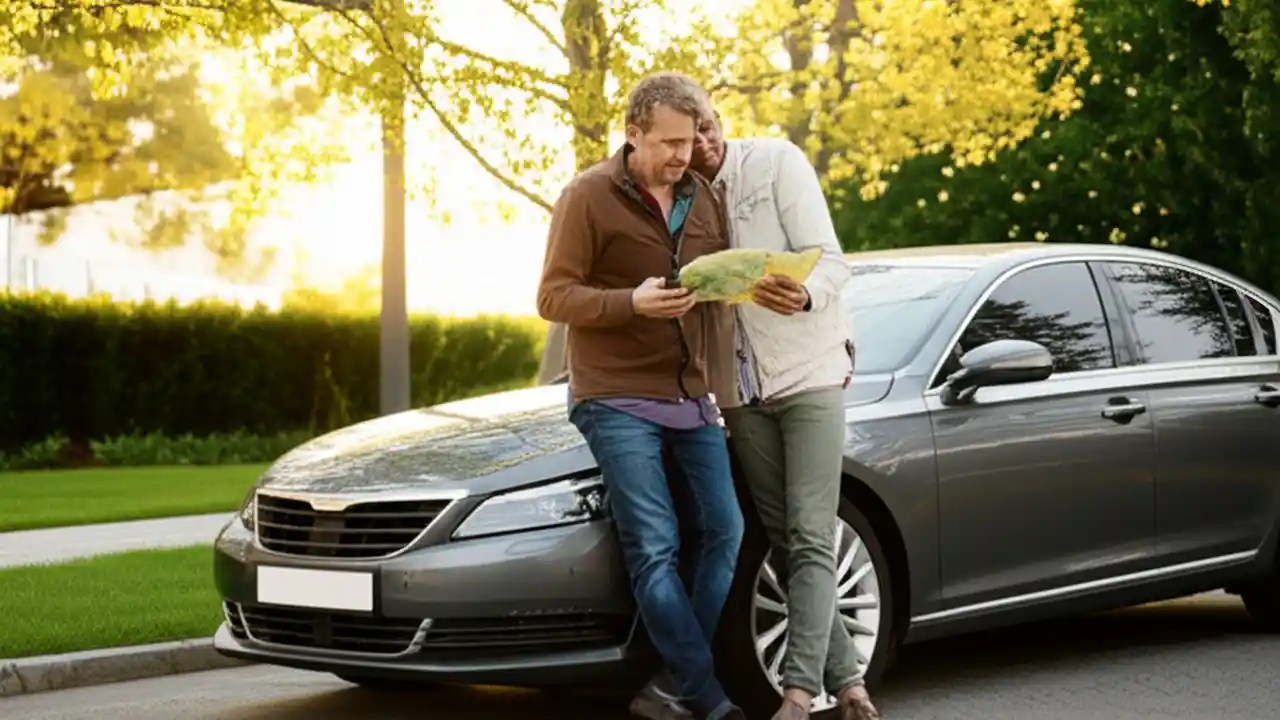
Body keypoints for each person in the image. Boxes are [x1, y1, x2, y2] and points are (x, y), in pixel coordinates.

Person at [536, 72, 746, 720]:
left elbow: (716, 291)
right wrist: (632, 302)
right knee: (653, 543)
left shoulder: (704, 197)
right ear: (633, 135)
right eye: (669, 142)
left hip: (690, 394)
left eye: (690, 140)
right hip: (615, 396)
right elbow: (553, 297)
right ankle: (706, 696)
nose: (684, 154)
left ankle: (672, 683)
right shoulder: (586, 197)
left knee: (724, 530)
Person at [688, 98, 881, 720]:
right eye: (685, 141)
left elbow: (831, 259)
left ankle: (798, 694)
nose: (702, 146)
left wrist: (803, 295)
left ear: (719, 119)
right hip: (740, 394)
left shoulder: (775, 164)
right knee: (787, 540)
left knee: (810, 530)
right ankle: (850, 685)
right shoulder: (679, 199)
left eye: (708, 130)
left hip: (810, 377)